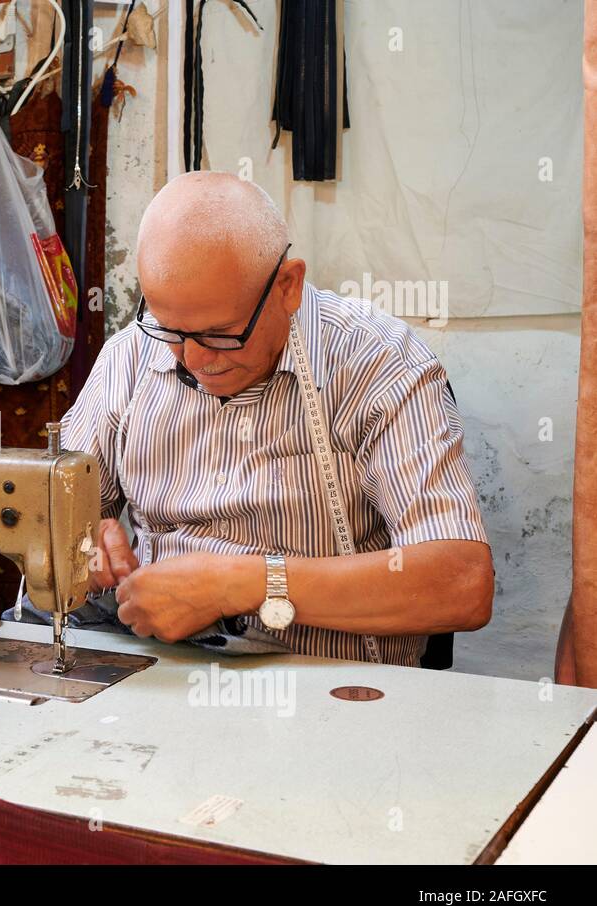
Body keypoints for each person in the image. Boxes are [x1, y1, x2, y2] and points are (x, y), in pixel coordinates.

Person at [61, 171, 493, 666]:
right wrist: (80, 538)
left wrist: (245, 583)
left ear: (288, 286)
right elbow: (47, 511)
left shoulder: (377, 362)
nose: (195, 361)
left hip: (327, 691)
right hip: (153, 669)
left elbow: (461, 583)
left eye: (222, 334)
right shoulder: (131, 357)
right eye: (172, 331)